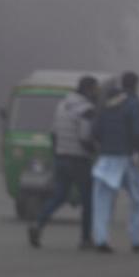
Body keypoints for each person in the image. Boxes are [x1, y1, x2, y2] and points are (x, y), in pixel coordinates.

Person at [28, 75, 98, 249]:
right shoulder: (87, 109)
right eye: (95, 89)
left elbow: (53, 133)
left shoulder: (62, 105)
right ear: (88, 89)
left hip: (61, 157)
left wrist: (57, 154)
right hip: (79, 160)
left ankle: (38, 223)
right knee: (87, 200)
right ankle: (85, 238)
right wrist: (95, 150)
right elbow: (84, 137)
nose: (97, 93)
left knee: (58, 196)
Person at [90, 71, 139, 252]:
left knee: (101, 201)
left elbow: (96, 131)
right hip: (126, 157)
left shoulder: (106, 105)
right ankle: (136, 239)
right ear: (136, 85)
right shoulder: (133, 103)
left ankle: (100, 240)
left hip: (106, 158)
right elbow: (138, 133)